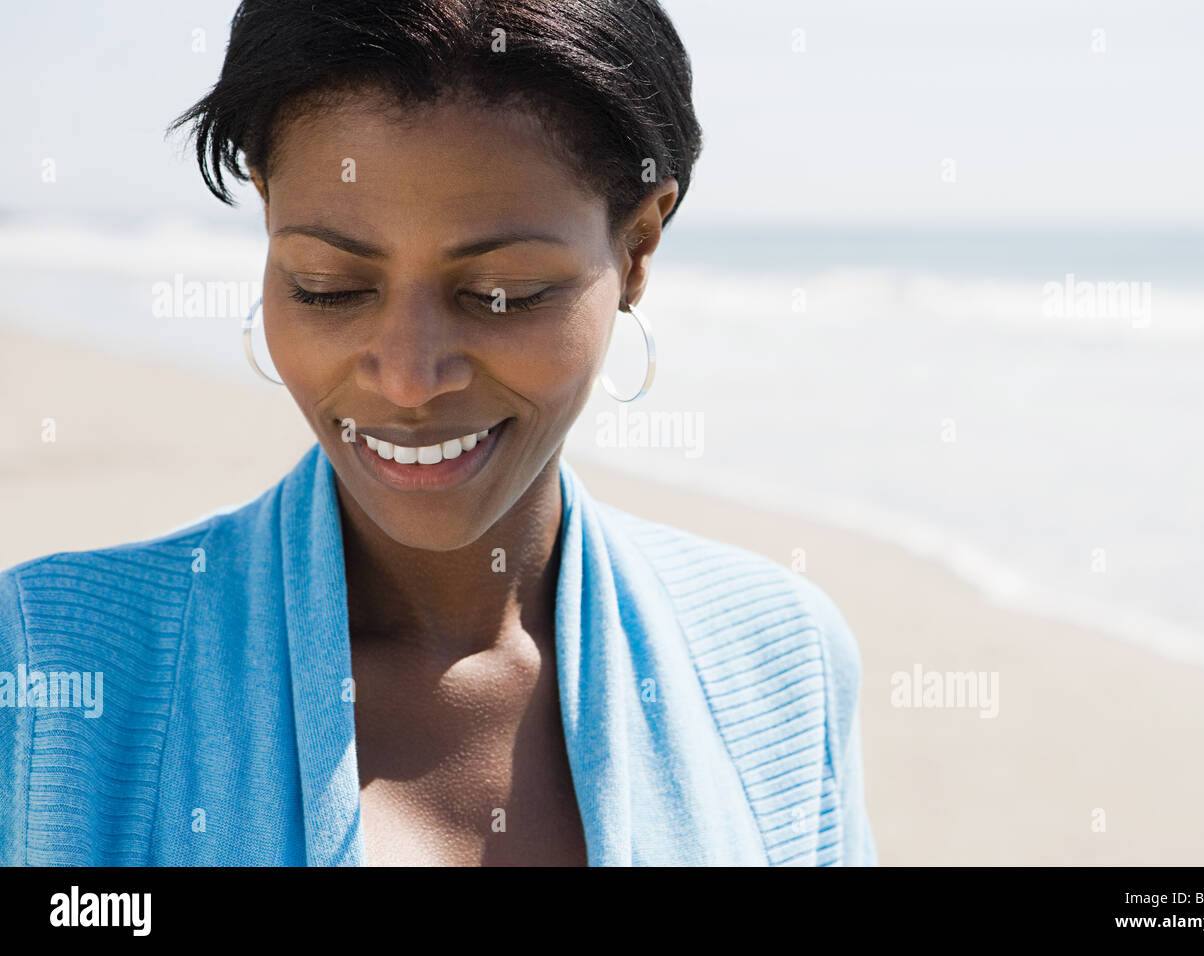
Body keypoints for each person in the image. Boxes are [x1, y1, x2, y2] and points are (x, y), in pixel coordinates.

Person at [0, 0, 877, 866]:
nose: (410, 378)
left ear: (638, 250)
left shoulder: (779, 665)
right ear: (267, 221)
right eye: (328, 285)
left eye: (502, 293)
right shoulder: (48, 676)